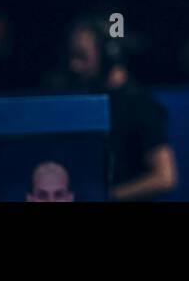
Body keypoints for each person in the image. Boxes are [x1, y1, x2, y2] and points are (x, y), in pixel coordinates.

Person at [64, 17, 177, 201]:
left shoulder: (138, 104)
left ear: (108, 56)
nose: (74, 66)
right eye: (72, 56)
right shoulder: (92, 100)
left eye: (82, 56)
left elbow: (165, 178)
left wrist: (108, 196)